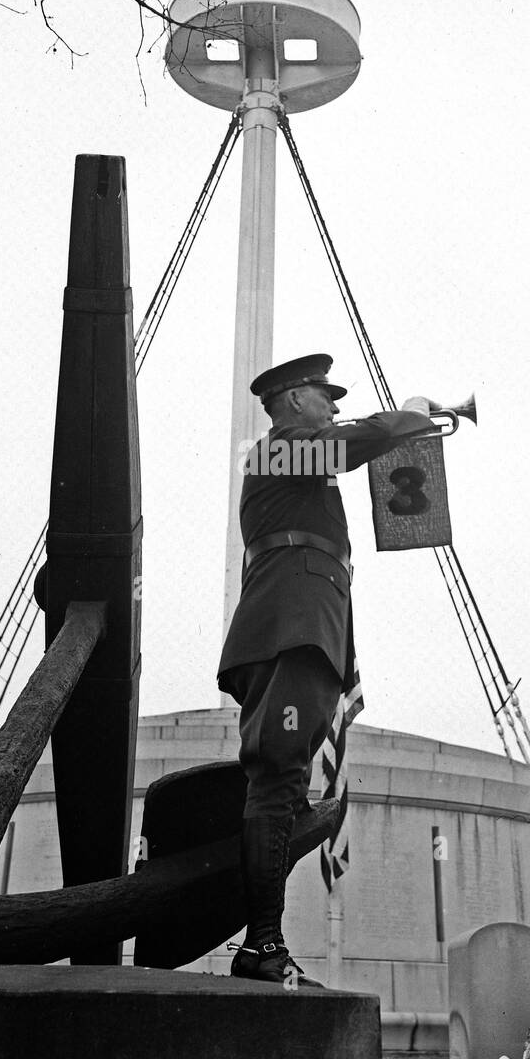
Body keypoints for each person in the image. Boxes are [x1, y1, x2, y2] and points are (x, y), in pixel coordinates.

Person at [217, 353, 436, 986]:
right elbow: (343, 444)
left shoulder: (294, 457)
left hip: (305, 629)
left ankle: (263, 944)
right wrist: (406, 419)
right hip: (294, 627)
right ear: (290, 401)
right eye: (323, 394)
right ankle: (262, 947)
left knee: (282, 781)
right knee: (278, 781)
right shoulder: (278, 451)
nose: (334, 406)